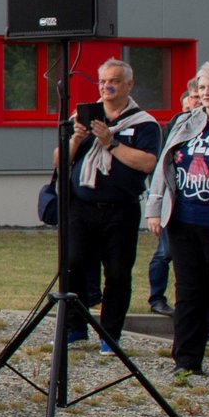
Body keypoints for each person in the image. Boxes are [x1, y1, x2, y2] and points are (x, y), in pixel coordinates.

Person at [144, 61, 209, 381]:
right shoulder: (185, 124)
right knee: (188, 294)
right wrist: (155, 209)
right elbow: (165, 168)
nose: (205, 93)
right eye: (201, 88)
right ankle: (187, 361)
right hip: (183, 222)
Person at [59, 59, 160, 354]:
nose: (107, 87)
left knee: (117, 273)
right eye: (102, 82)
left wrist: (111, 143)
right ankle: (74, 328)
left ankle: (110, 333)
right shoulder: (85, 115)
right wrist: (76, 140)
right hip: (83, 207)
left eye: (113, 81)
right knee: (73, 264)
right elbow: (58, 162)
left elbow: (147, 162)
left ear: (129, 84)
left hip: (121, 209)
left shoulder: (143, 123)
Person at [147, 82, 203, 316]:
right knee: (164, 253)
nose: (198, 101)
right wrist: (156, 206)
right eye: (194, 97)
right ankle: (157, 298)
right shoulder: (173, 129)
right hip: (174, 204)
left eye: (200, 96)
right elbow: (159, 166)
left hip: (200, 204)